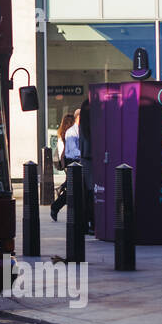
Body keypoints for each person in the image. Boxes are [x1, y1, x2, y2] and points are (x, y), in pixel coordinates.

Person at [50, 107, 82, 221]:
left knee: (73, 188)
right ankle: (56, 206)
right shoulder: (69, 134)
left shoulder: (65, 133)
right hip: (72, 162)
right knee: (74, 189)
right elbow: (67, 151)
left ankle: (61, 190)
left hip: (70, 162)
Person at [78, 96, 94, 235]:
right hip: (90, 159)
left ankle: (88, 222)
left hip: (85, 158)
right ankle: (91, 221)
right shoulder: (90, 126)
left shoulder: (82, 125)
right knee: (91, 191)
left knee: (88, 191)